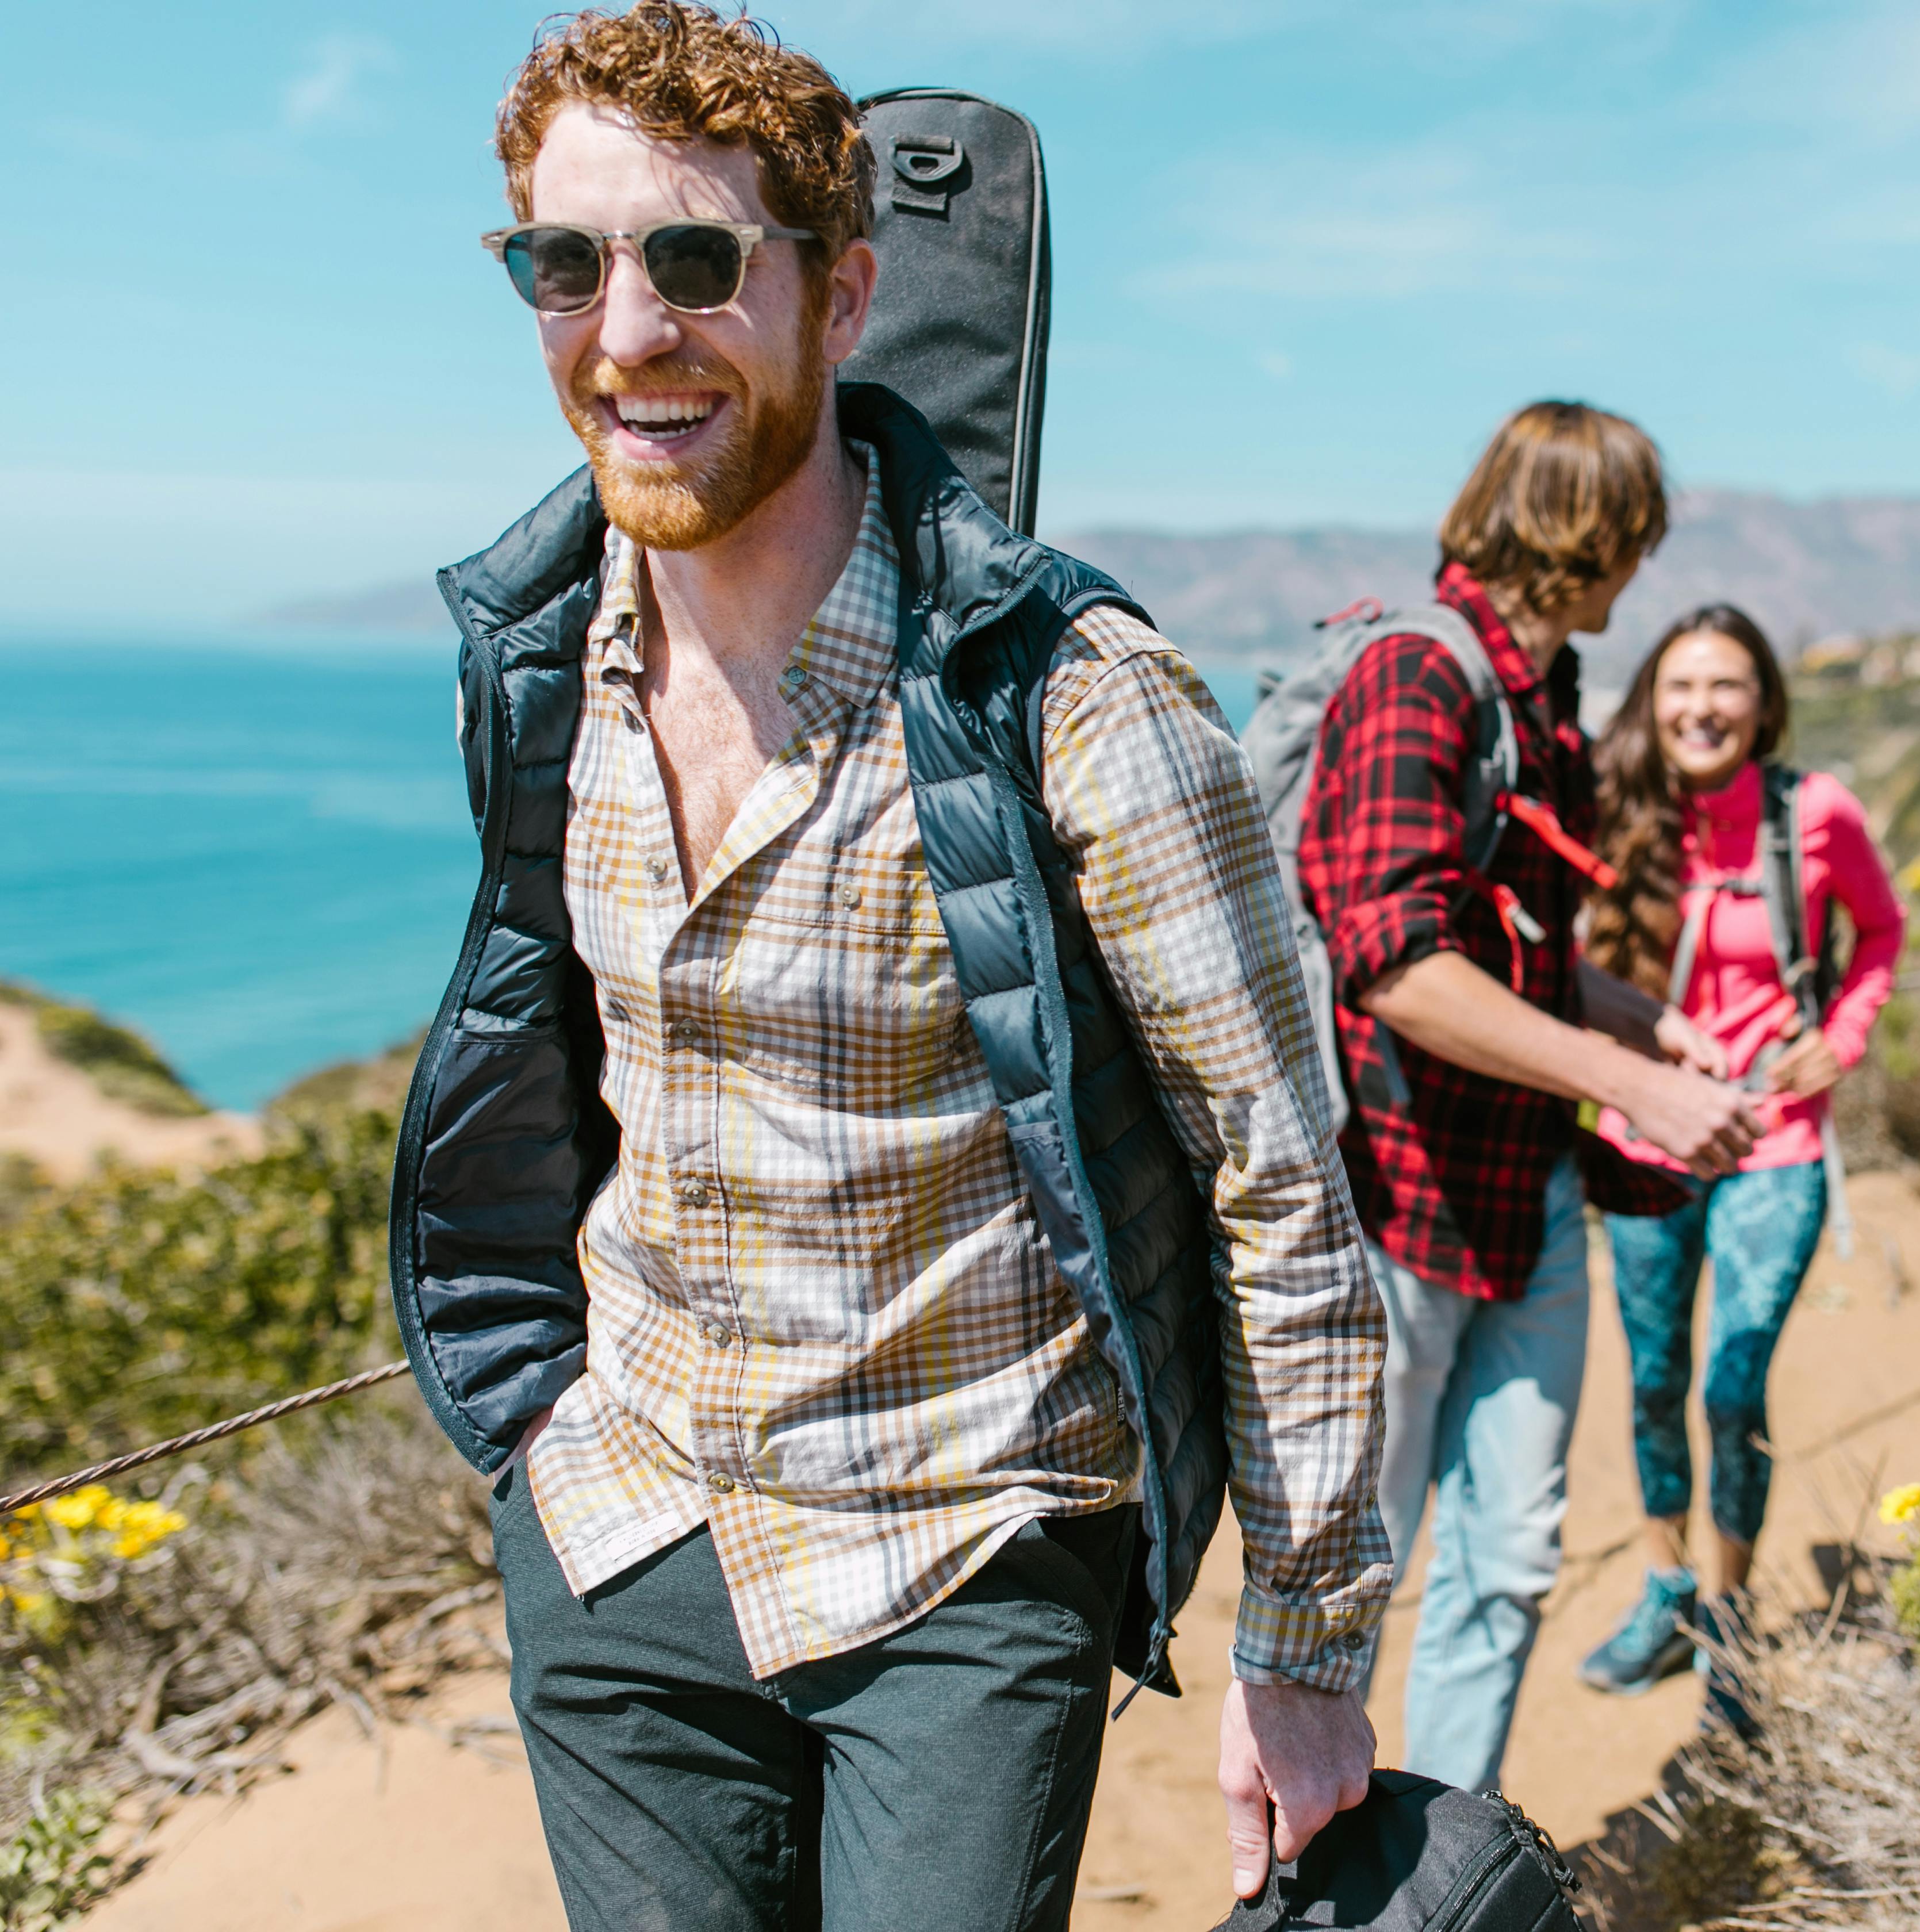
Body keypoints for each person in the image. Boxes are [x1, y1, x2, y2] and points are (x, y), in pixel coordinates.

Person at [386, 9, 1388, 1924]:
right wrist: (531, 1445)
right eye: (562, 264)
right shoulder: (537, 665)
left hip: (960, 1558)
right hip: (622, 1517)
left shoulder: (1085, 703)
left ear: (840, 299)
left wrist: (1312, 1642)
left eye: (694, 260)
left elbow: (1278, 1176)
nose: (626, 330)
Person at [1298, 402, 1762, 1792]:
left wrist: (1645, 1025)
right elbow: (1395, 963)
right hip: (1393, 1204)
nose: (1645, 572)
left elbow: (1521, 958)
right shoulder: (1416, 681)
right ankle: (1317, 1883)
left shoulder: (1541, 696)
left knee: (1506, 1563)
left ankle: (1441, 1868)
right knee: (1346, 1586)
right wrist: (1631, 1084)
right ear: (1589, 539)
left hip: (1526, 1200)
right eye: (1638, 541)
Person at [1573, 606, 1904, 1698]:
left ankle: (1728, 1611)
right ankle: (1666, 1591)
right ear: (1651, 701)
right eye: (1679, 686)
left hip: (1774, 1143)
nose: (1701, 708)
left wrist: (1842, 1038)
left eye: (1725, 687)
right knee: (1656, 1378)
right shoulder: (1619, 813)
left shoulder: (1817, 814)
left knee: (1731, 1384)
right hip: (1645, 1143)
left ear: (1764, 703)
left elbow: (1881, 934)